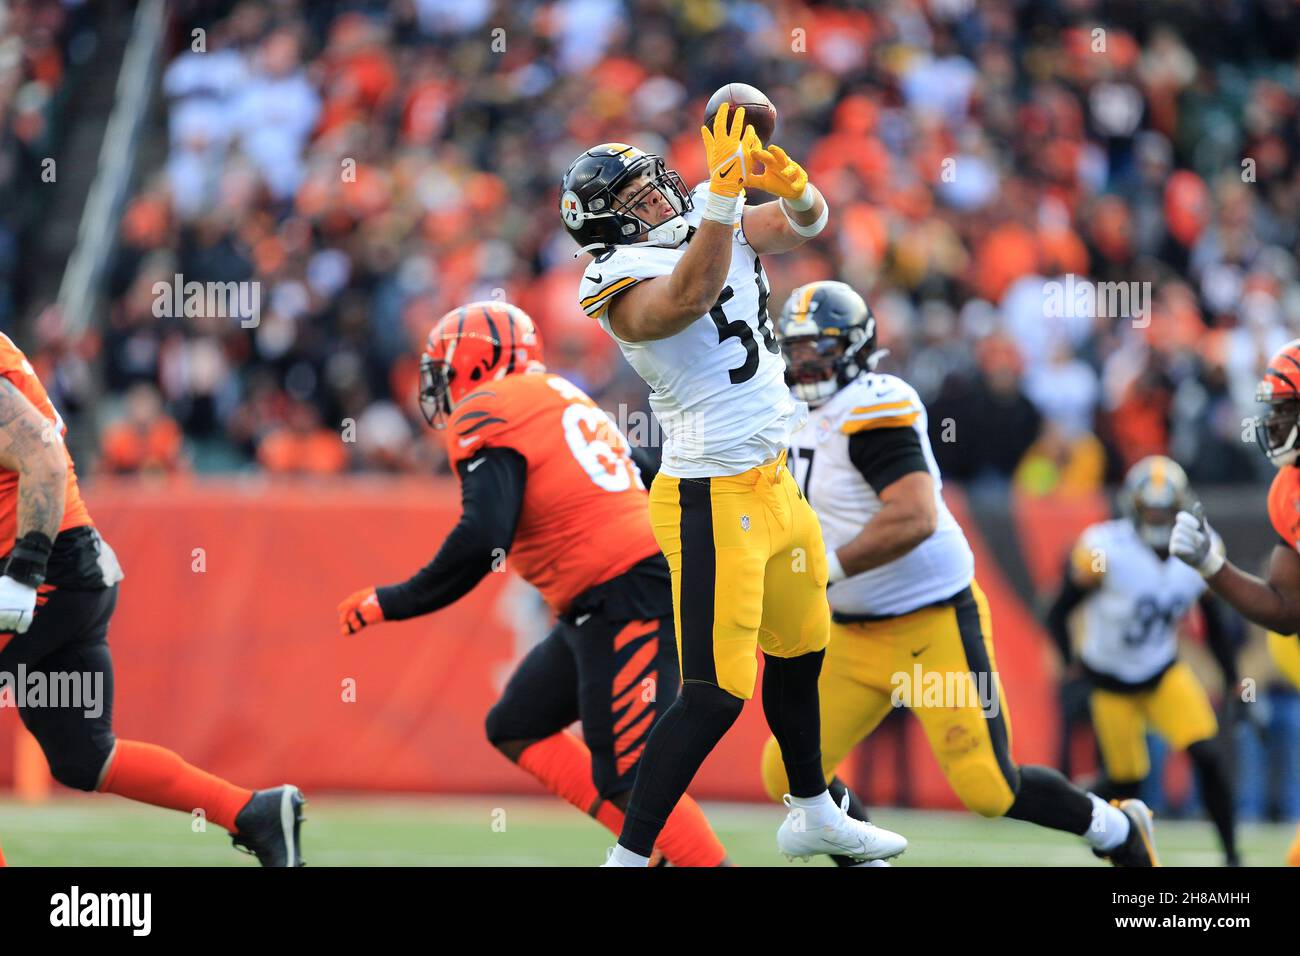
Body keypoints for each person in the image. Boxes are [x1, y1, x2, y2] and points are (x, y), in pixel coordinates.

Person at [560, 107, 906, 866]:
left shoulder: (702, 221)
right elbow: (684, 298)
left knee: (803, 651)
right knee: (715, 692)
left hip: (776, 482)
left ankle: (814, 811)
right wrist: (719, 202)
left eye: (656, 185)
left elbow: (799, 226)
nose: (661, 198)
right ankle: (628, 858)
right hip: (710, 495)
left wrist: (801, 190)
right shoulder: (614, 278)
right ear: (606, 228)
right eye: (640, 199)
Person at [760, 280, 1159, 867]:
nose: (804, 363)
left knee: (990, 788)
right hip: (849, 626)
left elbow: (915, 516)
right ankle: (869, 861)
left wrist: (824, 570)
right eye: (794, 350)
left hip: (930, 621)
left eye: (818, 348)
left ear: (854, 347)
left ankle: (1117, 829)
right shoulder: (782, 407)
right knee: (789, 773)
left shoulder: (874, 404)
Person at [337, 301, 728, 865]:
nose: (440, 388)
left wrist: (391, 601)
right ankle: (660, 850)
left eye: (445, 372)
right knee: (518, 723)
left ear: (475, 362)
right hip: (613, 590)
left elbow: (483, 538)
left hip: (624, 588)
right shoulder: (561, 395)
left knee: (632, 773)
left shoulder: (488, 410)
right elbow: (645, 467)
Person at [0, 332, 304, 866]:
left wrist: (23, 574)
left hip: (40, 571)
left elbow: (43, 456)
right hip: (71, 569)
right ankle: (253, 812)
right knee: (83, 758)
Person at [1050, 455, 1239, 865]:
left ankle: (1231, 855)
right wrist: (1071, 666)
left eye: (1164, 508)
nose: (1156, 516)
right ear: (1133, 507)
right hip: (1109, 682)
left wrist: (1233, 679)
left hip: (1162, 673)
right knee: (1125, 783)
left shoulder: (1195, 551)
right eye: (1149, 507)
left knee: (1207, 755)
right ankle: (1083, 802)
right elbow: (1058, 608)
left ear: (1180, 509)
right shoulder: (1105, 549)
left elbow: (1214, 622)